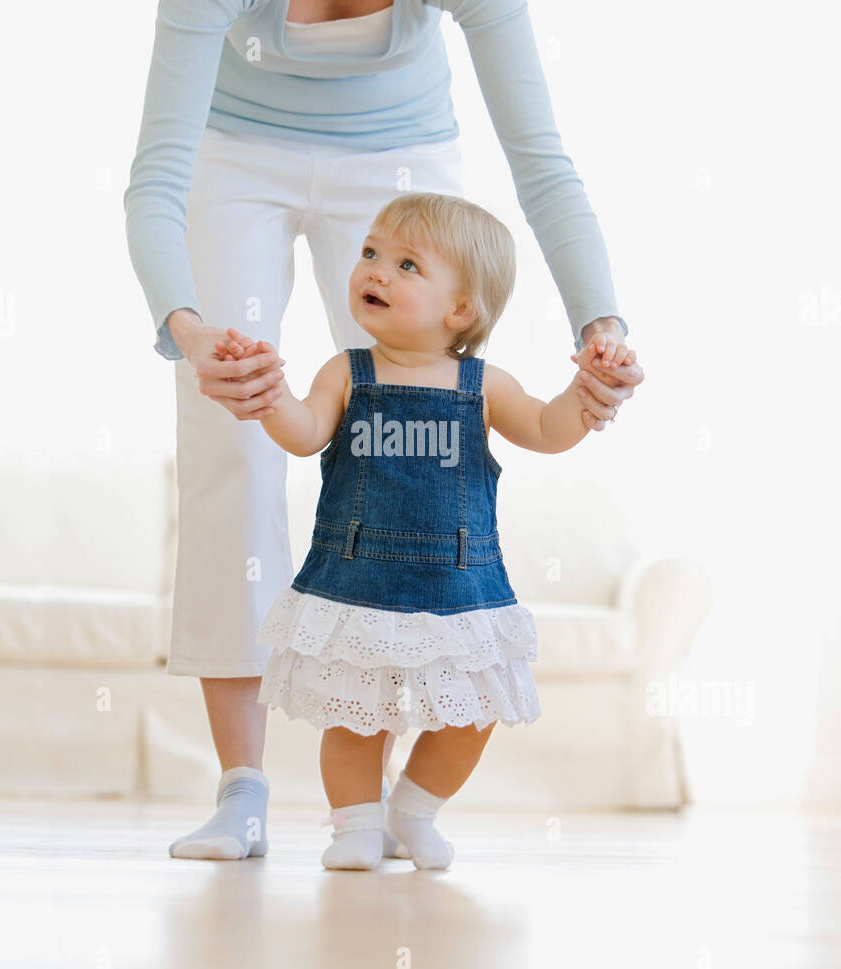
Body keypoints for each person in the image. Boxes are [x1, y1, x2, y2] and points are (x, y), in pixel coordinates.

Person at [122, 0, 643, 860]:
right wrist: (184, 325)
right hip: (241, 157)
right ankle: (243, 786)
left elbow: (538, 153)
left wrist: (602, 323)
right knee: (234, 442)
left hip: (397, 161)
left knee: (423, 422)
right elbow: (160, 171)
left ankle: (398, 789)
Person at [211, 190, 637, 870]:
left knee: (471, 717)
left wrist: (584, 396)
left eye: (406, 264)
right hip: (358, 579)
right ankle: (352, 827)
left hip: (457, 585)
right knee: (356, 716)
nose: (375, 270)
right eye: (371, 253)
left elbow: (547, 430)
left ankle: (411, 811)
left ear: (460, 309)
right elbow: (302, 433)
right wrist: (268, 395)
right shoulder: (343, 373)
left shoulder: (485, 384)